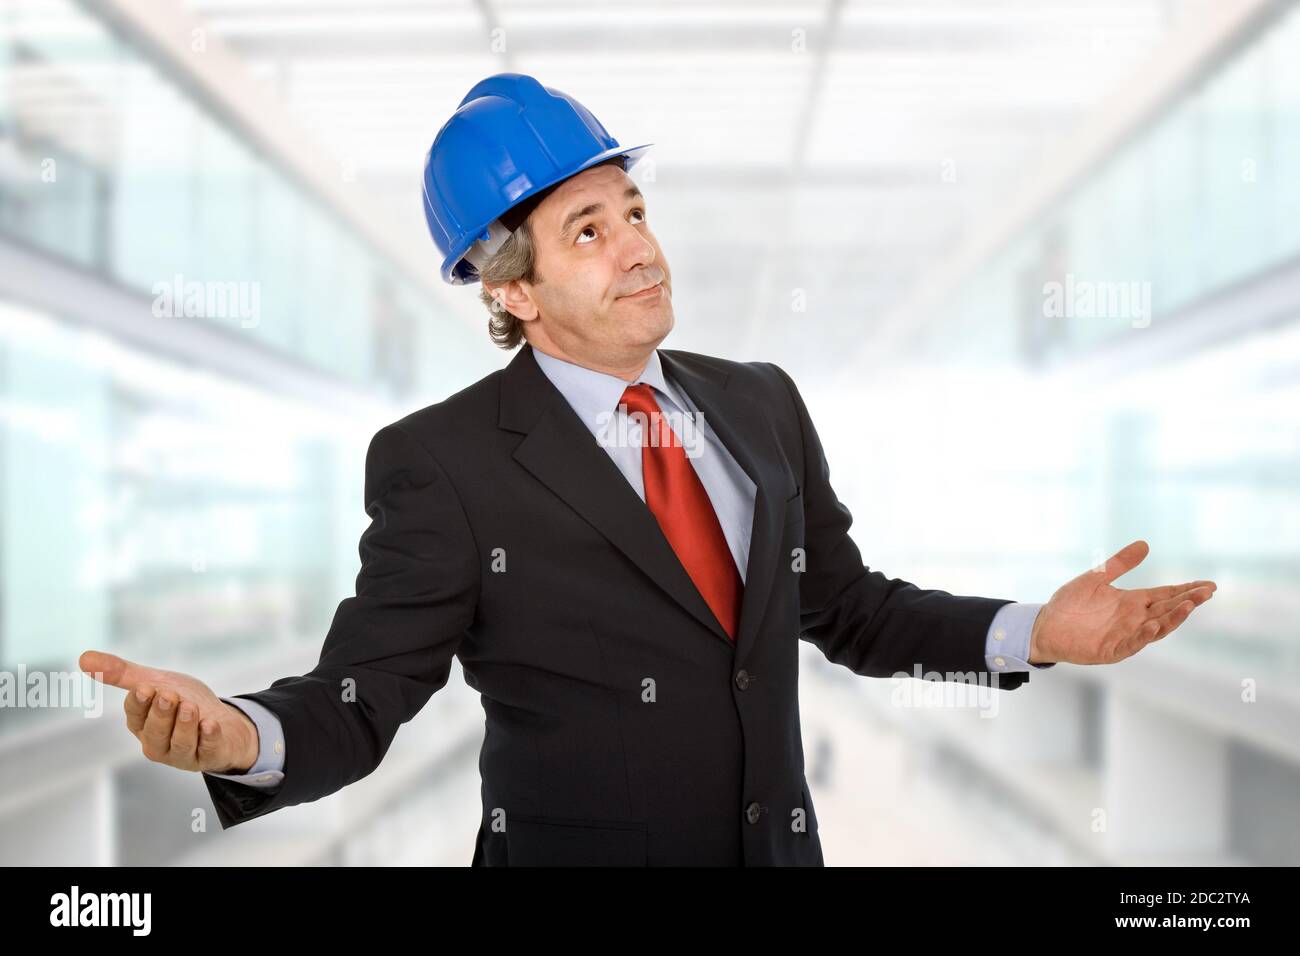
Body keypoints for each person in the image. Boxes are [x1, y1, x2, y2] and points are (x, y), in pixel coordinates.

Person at [79, 73, 1217, 866]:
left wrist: (1035, 632)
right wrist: (242, 734)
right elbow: (368, 695)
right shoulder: (445, 463)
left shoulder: (758, 400)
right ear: (511, 289)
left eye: (634, 208)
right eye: (588, 229)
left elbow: (849, 610)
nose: (639, 245)